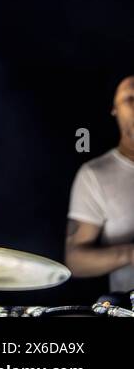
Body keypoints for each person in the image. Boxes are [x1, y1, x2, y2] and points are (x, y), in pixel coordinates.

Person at [65, 76, 134, 295]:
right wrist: (130, 254)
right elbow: (75, 260)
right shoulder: (95, 175)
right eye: (130, 98)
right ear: (115, 110)